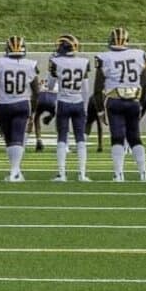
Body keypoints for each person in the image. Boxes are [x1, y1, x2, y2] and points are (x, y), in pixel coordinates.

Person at [95, 28, 146, 183]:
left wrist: (100, 110)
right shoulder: (138, 54)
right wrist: (141, 102)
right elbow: (144, 83)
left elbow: (97, 88)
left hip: (114, 100)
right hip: (134, 100)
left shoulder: (104, 57)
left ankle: (119, 174)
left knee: (117, 137)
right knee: (135, 137)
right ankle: (143, 173)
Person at [0, 36, 39, 183]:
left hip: (4, 104)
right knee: (17, 138)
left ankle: (15, 171)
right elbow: (36, 91)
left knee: (10, 139)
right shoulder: (31, 64)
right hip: (22, 104)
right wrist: (33, 111)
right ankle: (15, 172)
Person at [47, 34, 94, 182]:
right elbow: (86, 88)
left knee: (62, 138)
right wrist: (85, 107)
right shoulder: (84, 62)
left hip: (63, 102)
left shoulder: (56, 62)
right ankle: (82, 174)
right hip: (78, 102)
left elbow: (49, 85)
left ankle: (61, 174)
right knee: (80, 139)